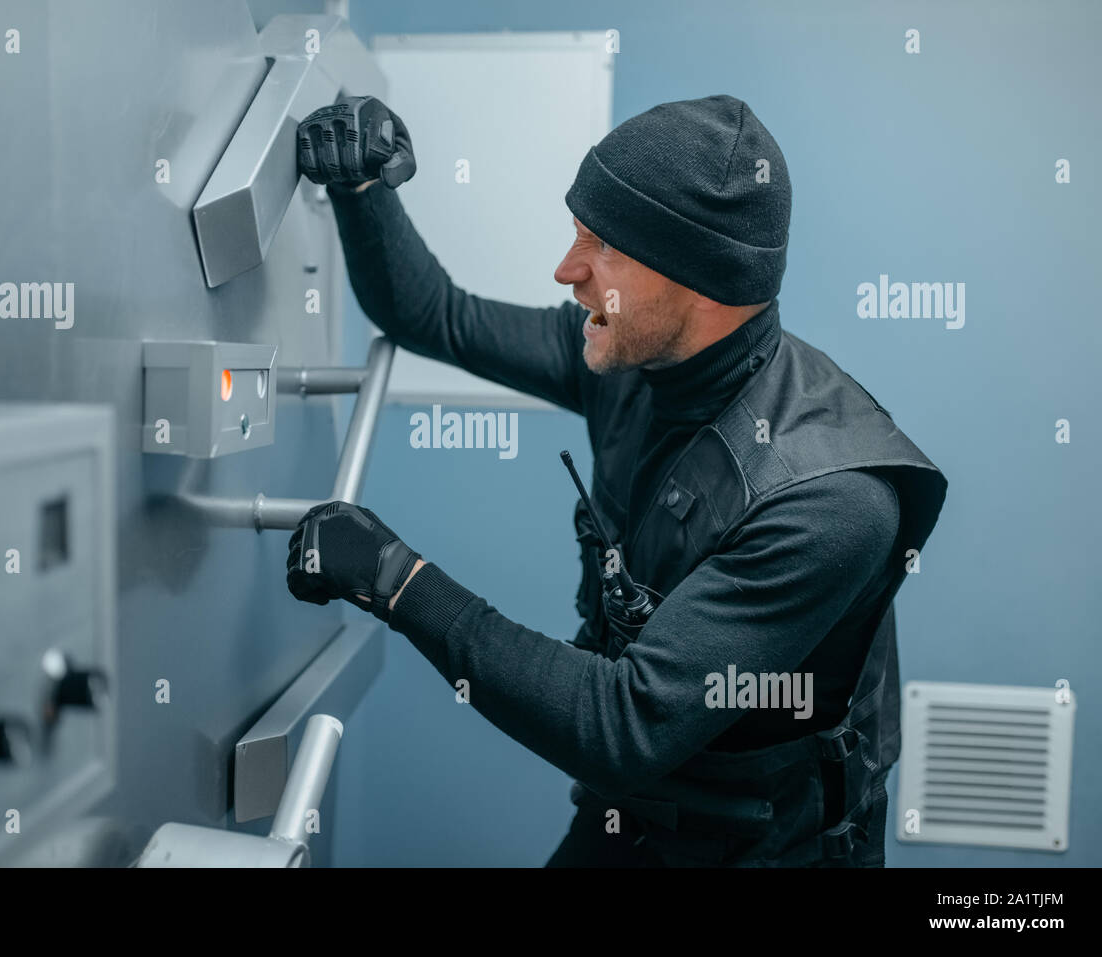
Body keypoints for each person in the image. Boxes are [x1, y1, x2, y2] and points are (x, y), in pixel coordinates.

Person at [286, 94, 948, 866]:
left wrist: (396, 580)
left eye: (600, 247)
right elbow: (430, 313)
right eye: (577, 233)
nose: (566, 271)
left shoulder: (831, 498)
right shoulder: (635, 354)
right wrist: (359, 186)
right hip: (632, 814)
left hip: (766, 846)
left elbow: (624, 724)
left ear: (699, 280)